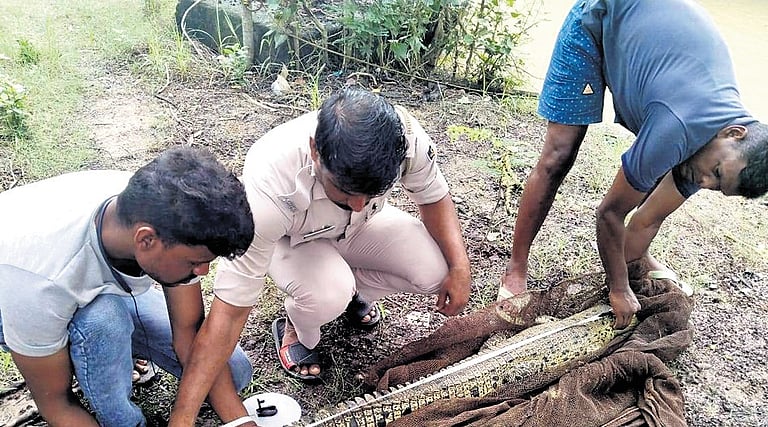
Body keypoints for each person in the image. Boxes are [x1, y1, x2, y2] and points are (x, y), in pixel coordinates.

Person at [167, 87, 472, 425]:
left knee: (437, 270)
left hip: (362, 228)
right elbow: (228, 316)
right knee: (328, 294)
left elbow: (433, 197)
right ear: (315, 150)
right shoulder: (270, 186)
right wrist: (183, 417)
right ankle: (296, 326)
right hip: (293, 242)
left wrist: (460, 266)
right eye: (345, 190)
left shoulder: (404, 139)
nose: (358, 203)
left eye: (371, 192)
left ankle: (354, 292)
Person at [499, 0, 768, 329]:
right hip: (598, 22)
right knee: (559, 155)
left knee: (658, 174)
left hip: (652, 52)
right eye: (716, 174)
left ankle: (638, 259)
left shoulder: (718, 150)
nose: (705, 183)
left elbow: (648, 218)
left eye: (717, 188)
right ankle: (516, 267)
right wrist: (618, 288)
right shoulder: (677, 126)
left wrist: (626, 271)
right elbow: (609, 213)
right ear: (734, 133)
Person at [0, 147, 256, 426]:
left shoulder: (172, 214)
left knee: (233, 372)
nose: (202, 272)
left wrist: (236, 421)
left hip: (72, 282)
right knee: (104, 323)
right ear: (146, 240)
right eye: (195, 263)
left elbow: (188, 333)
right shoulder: (39, 283)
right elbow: (57, 404)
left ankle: (114, 351)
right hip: (13, 300)